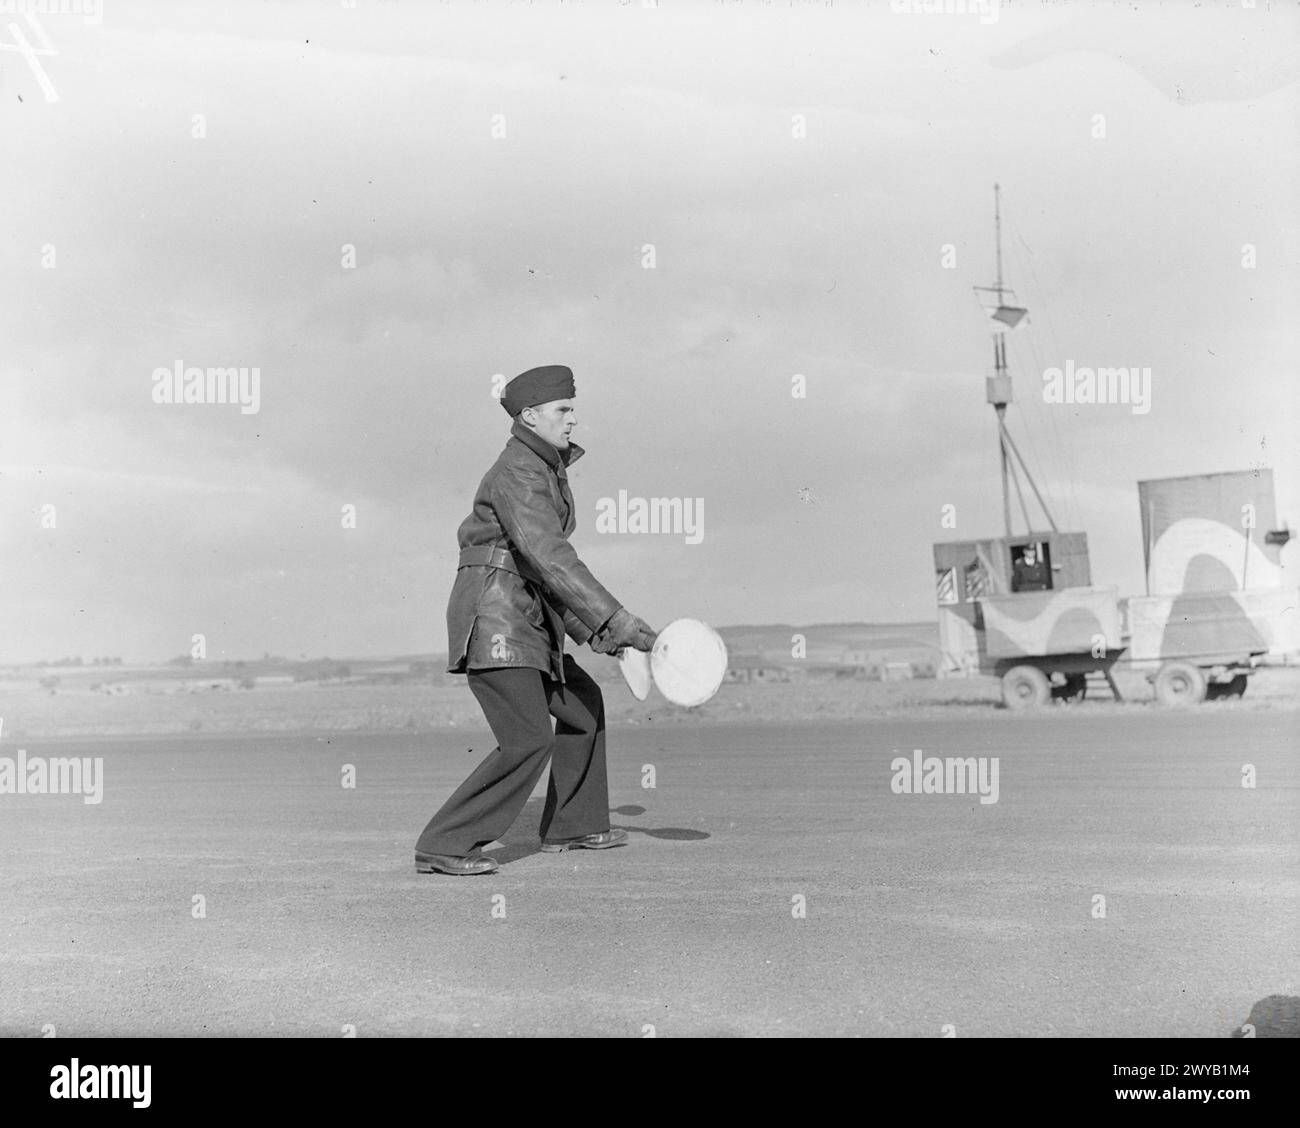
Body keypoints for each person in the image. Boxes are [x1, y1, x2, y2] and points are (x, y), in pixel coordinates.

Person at [415, 364, 657, 876]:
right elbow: (551, 559)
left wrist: (607, 636)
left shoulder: (541, 468)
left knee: (582, 707)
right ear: (530, 415)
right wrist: (617, 620)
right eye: (563, 410)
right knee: (529, 738)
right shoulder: (520, 471)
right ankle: (445, 842)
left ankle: (574, 823)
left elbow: (544, 573)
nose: (573, 419)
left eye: (572, 409)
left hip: (523, 617)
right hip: (496, 621)